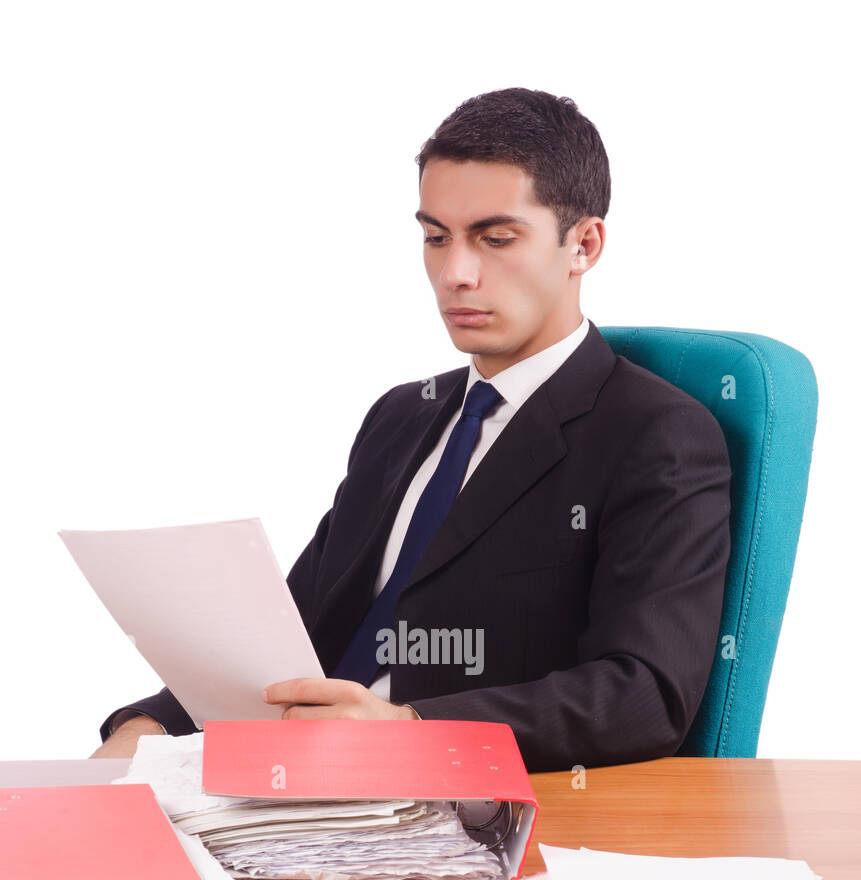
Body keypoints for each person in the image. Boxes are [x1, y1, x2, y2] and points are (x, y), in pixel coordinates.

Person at [95, 87, 731, 773]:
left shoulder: (656, 436)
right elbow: (298, 634)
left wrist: (409, 730)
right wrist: (150, 725)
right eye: (435, 237)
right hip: (300, 786)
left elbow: (644, 695)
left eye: (495, 238)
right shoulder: (402, 417)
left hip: (458, 801)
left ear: (583, 244)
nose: (455, 273)